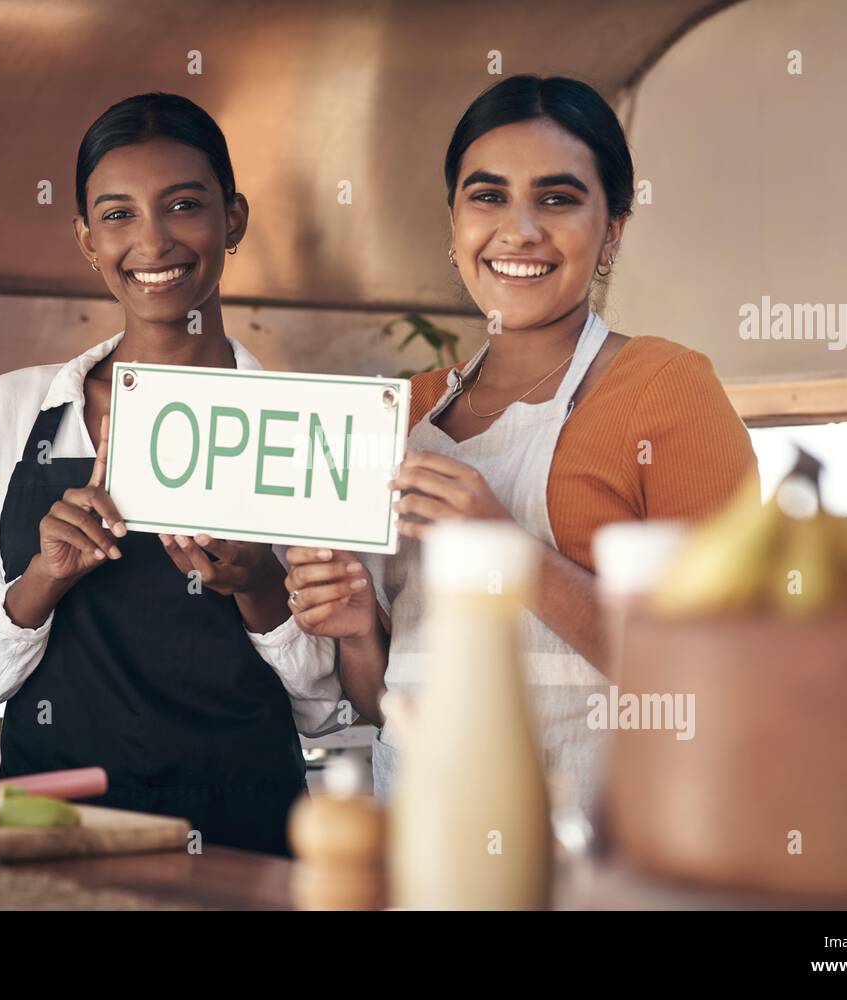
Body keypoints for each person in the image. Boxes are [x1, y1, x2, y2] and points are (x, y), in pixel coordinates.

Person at [277, 75, 759, 814]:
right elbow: (386, 703)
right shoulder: (404, 411)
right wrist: (355, 634)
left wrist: (509, 551)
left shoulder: (668, 388)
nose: (520, 230)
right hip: (422, 843)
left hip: (600, 854)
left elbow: (717, 679)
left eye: (558, 199)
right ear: (453, 224)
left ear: (614, 231)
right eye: (489, 196)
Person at [0, 93, 341, 855]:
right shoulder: (14, 411)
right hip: (49, 840)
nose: (153, 242)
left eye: (184, 205)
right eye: (117, 215)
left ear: (233, 219)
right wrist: (42, 580)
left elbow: (331, 707)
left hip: (247, 844)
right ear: (85, 236)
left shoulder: (299, 427)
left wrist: (258, 589)